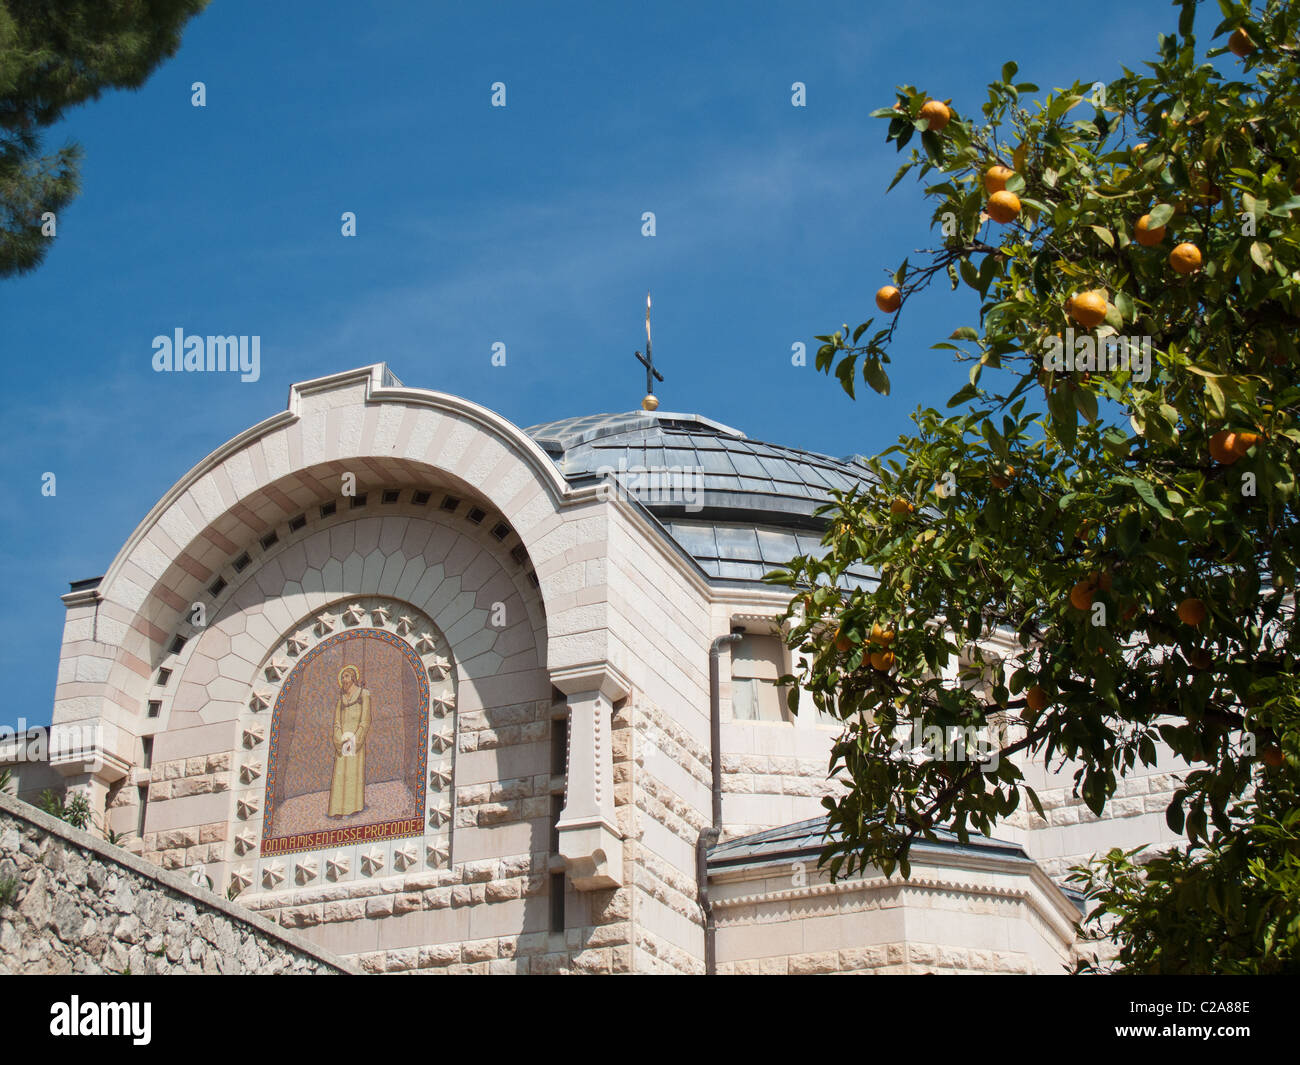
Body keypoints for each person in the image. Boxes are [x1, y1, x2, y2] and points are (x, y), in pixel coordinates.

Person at [328, 665, 371, 817]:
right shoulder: (341, 698)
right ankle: (338, 809)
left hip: (354, 736)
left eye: (346, 676)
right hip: (343, 737)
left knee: (353, 770)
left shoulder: (363, 694)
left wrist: (357, 738)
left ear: (353, 678)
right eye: (342, 677)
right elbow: (337, 721)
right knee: (340, 772)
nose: (344, 680)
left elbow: (365, 719)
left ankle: (353, 807)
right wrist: (338, 737)